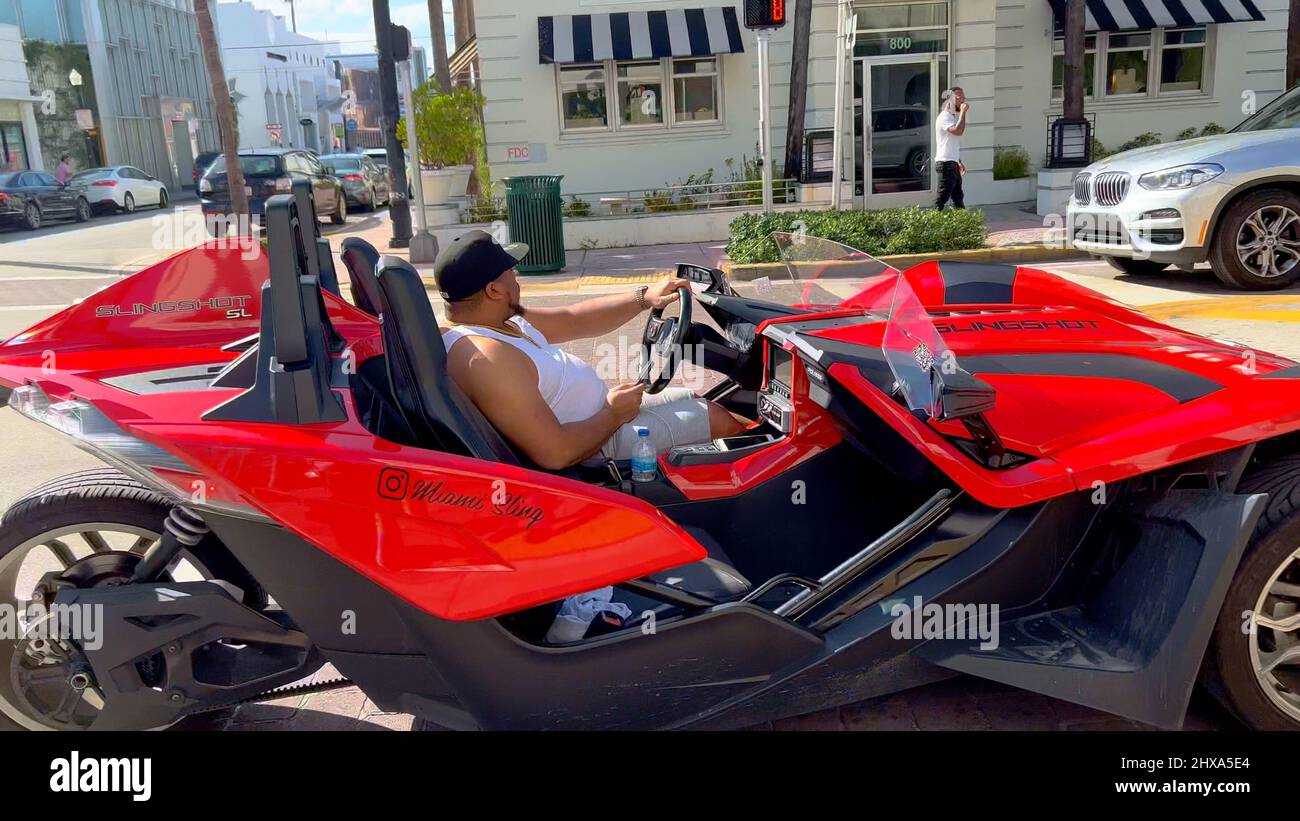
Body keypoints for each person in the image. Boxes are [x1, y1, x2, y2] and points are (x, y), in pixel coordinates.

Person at [435, 230, 748, 470]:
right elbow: (555, 454)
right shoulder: (488, 358)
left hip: (606, 416)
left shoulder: (497, 320)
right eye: (511, 272)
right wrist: (612, 414)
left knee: (700, 400)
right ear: (494, 290)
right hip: (598, 443)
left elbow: (573, 320)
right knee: (721, 423)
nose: (517, 278)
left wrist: (644, 297)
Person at [934, 87, 968, 210]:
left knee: (958, 197)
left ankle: (963, 225)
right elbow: (958, 131)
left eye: (963, 98)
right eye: (959, 98)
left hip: (952, 163)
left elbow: (951, 142)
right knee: (942, 198)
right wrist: (963, 112)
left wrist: (958, 161)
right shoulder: (944, 117)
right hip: (945, 163)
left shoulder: (952, 118)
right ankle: (932, 223)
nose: (962, 101)